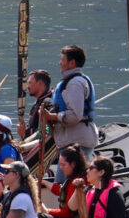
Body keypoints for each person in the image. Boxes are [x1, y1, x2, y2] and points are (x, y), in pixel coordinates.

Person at [39, 45, 97, 176]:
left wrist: (51, 117)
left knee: (65, 184)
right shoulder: (71, 82)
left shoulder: (75, 84)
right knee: (64, 184)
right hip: (71, 141)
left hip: (77, 143)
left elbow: (75, 116)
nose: (60, 63)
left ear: (72, 63)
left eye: (63, 60)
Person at [40, 146, 89, 218]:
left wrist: (47, 211)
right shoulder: (71, 177)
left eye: (63, 164)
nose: (60, 167)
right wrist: (43, 182)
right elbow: (60, 191)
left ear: (73, 164)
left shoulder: (79, 182)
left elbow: (68, 213)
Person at [17, 70, 55, 164]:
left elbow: (47, 130)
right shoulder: (37, 104)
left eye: (30, 83)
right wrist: (23, 134)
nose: (27, 86)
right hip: (32, 144)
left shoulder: (48, 102)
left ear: (40, 83)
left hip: (40, 150)